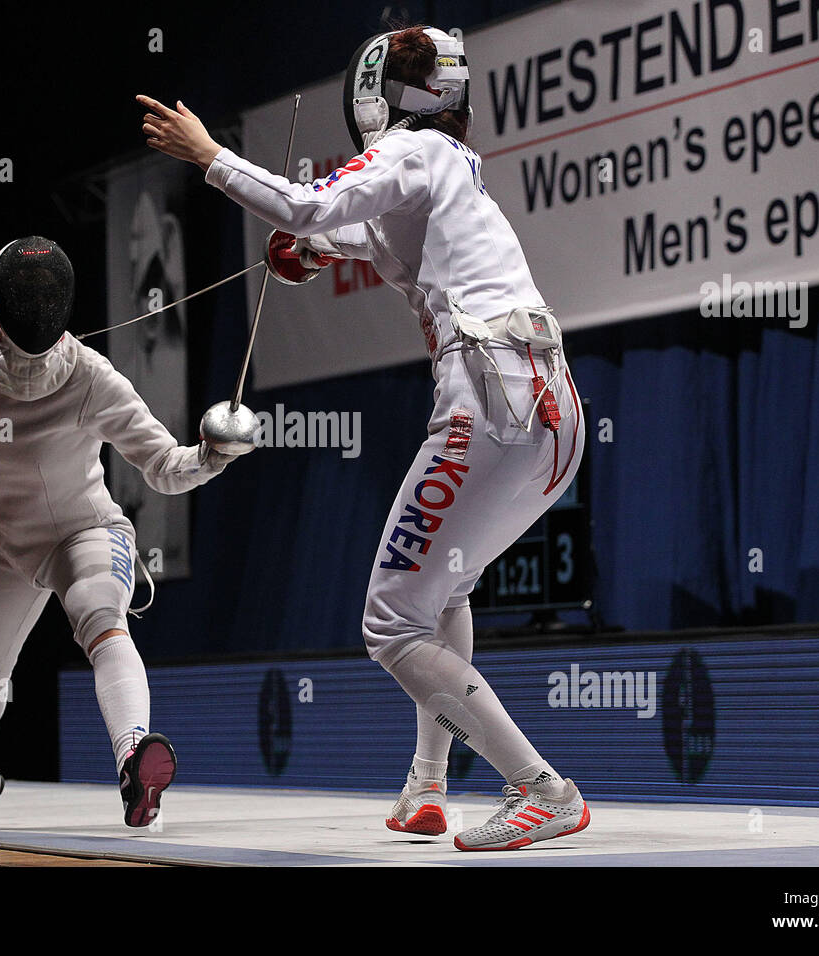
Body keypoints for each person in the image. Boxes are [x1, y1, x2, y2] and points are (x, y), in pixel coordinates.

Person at [138, 25, 589, 851]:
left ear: (378, 97)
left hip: (490, 400)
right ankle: (427, 784)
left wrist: (208, 155)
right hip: (551, 414)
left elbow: (313, 203)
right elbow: (350, 230)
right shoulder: (448, 171)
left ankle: (543, 789)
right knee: (442, 590)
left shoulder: (413, 153)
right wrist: (306, 250)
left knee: (389, 623)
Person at [0, 236, 245, 830]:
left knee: (100, 621)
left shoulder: (90, 379)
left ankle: (132, 760)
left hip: (84, 533)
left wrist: (210, 455)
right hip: (6, 545)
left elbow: (166, 463)